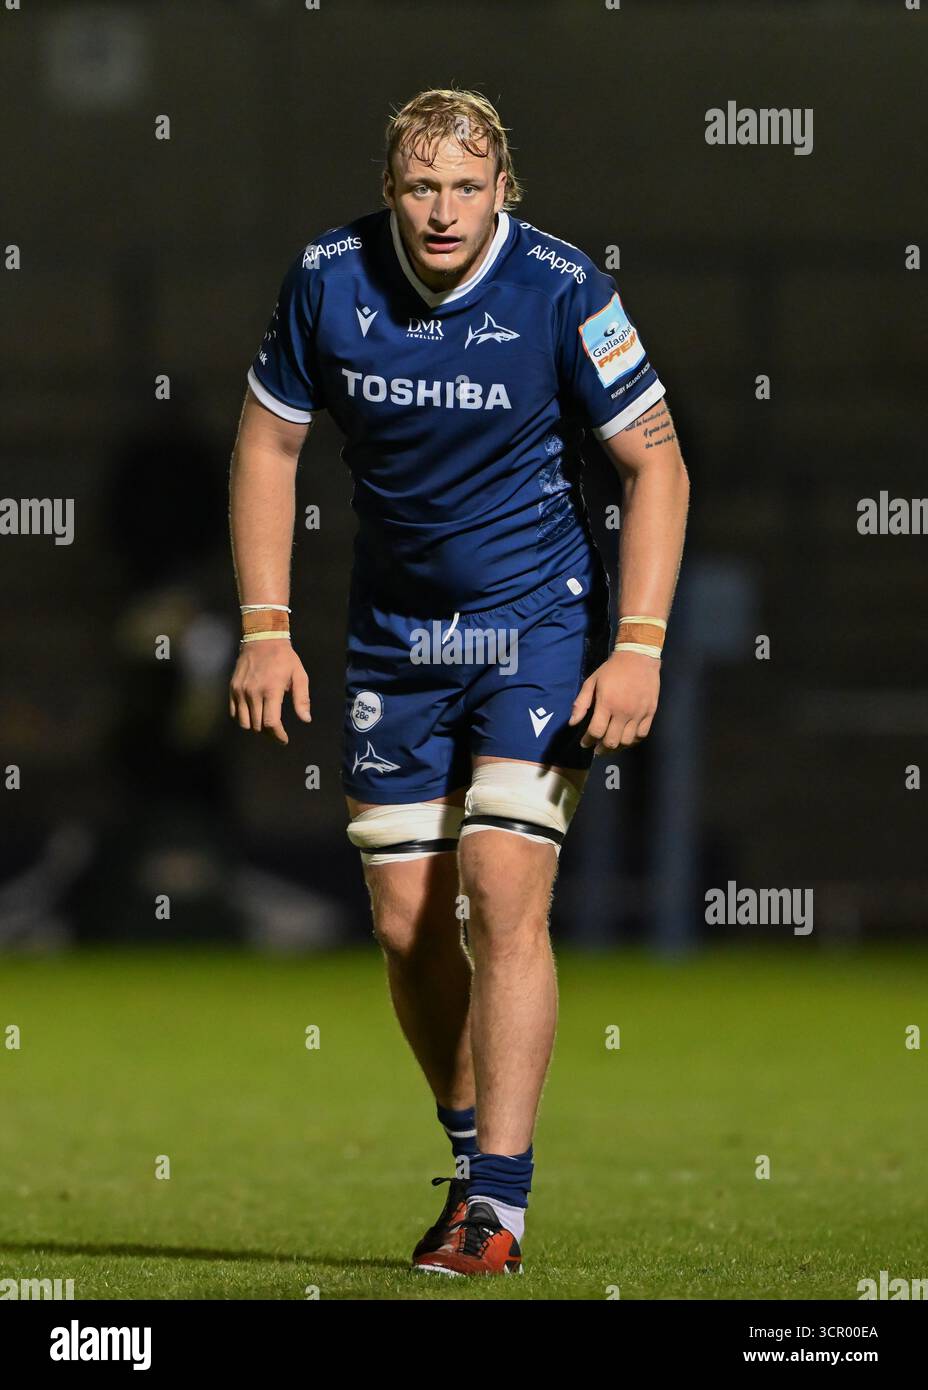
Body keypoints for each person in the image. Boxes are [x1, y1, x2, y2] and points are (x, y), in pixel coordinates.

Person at [228, 86, 689, 1276]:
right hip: (395, 644)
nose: (443, 211)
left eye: (467, 187)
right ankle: (470, 1148)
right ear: (392, 191)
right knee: (404, 923)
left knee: (500, 888)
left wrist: (635, 645)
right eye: (421, 186)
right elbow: (267, 445)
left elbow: (657, 464)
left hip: (538, 627)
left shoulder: (562, 286)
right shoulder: (328, 280)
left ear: (504, 190)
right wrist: (264, 626)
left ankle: (497, 1206)